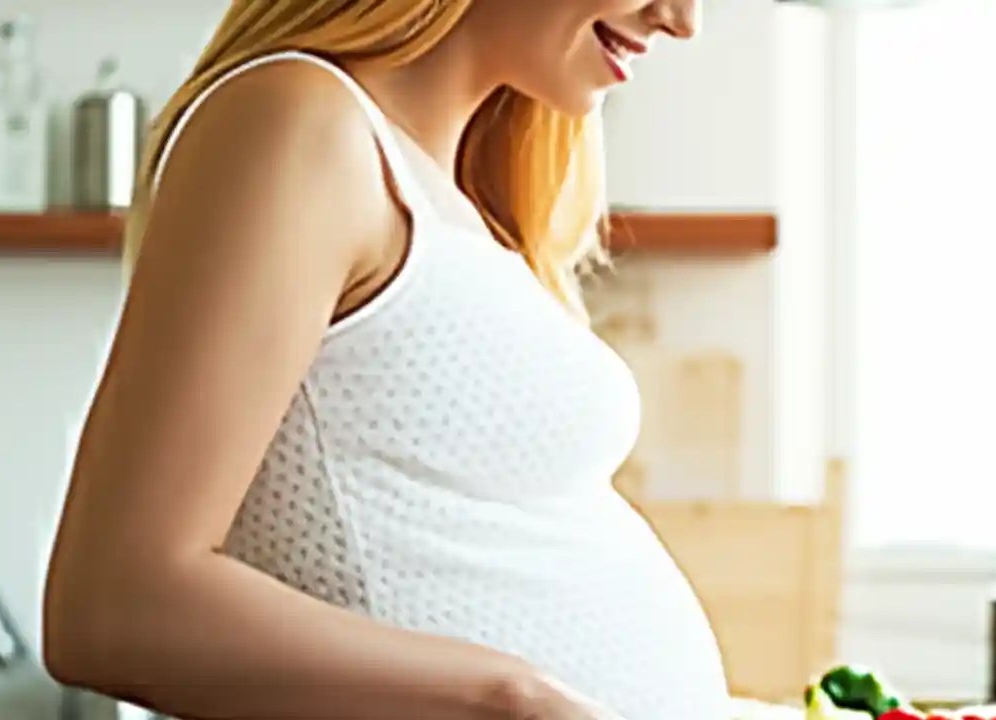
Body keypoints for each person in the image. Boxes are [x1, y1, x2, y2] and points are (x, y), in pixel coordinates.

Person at [41, 1, 726, 719]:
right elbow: (114, 603)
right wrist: (515, 699)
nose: (681, 20)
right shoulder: (298, 120)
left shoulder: (461, 202)